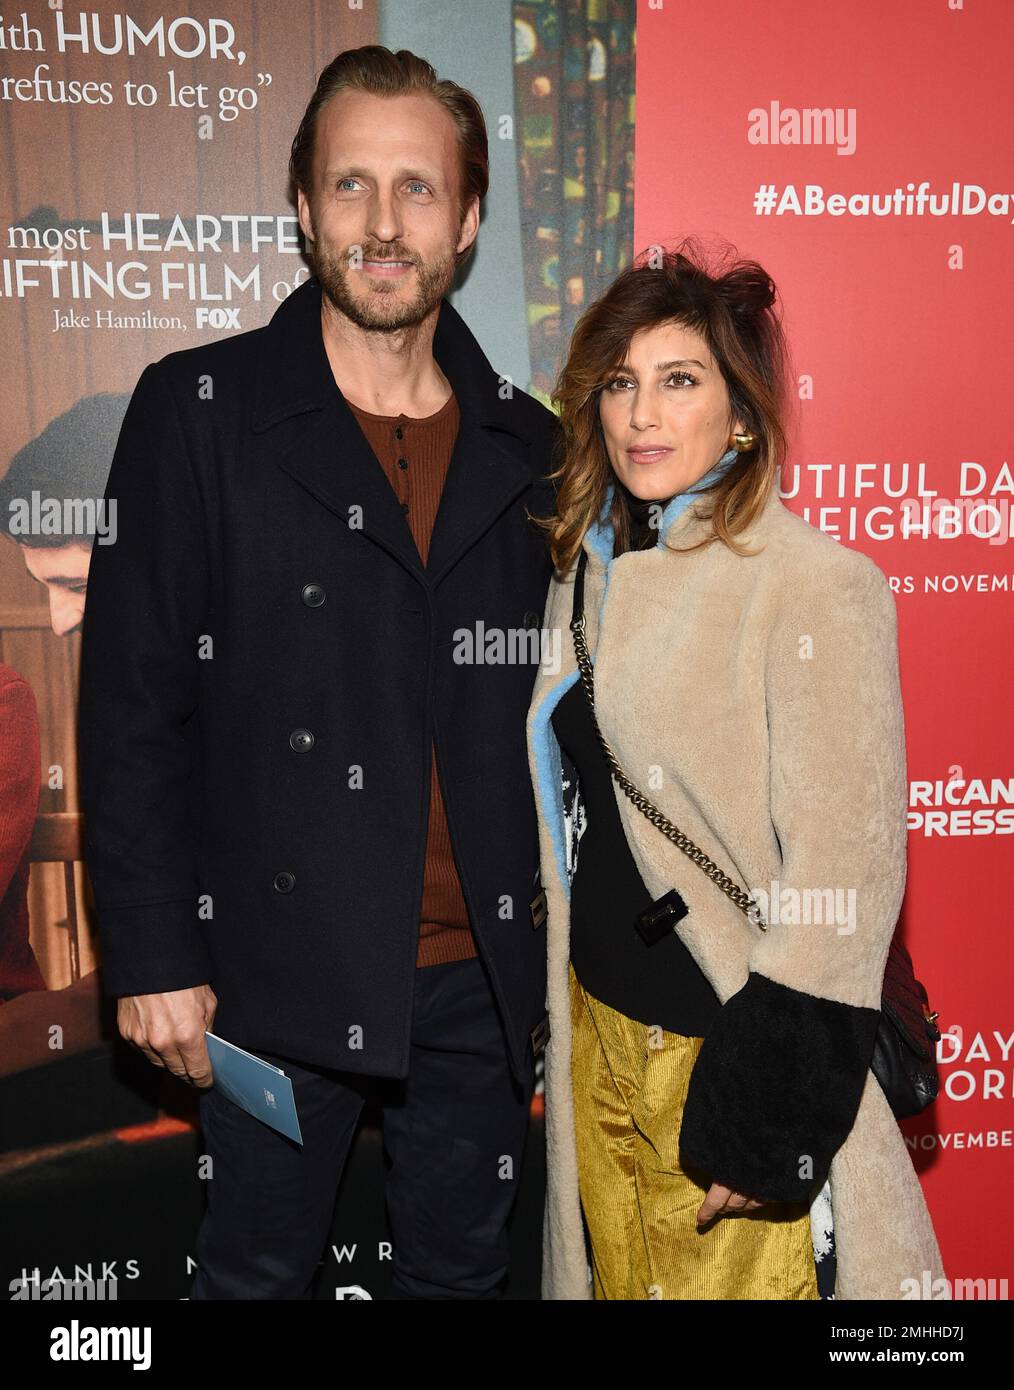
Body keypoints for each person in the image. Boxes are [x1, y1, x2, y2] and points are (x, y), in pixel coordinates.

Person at [78, 45, 559, 1300]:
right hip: (266, 974)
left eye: (417, 189)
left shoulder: (534, 444)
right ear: (303, 211)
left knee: (461, 1281)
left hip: (482, 985)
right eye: (352, 186)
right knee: (253, 1282)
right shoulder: (198, 410)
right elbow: (132, 703)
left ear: (464, 219)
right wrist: (148, 953)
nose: (384, 224)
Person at [525, 240, 946, 1300]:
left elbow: (843, 880)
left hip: (722, 1070)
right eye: (620, 383)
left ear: (743, 414)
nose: (640, 415)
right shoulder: (585, 578)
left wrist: (763, 1123)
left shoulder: (816, 586)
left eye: (680, 381)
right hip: (600, 1054)